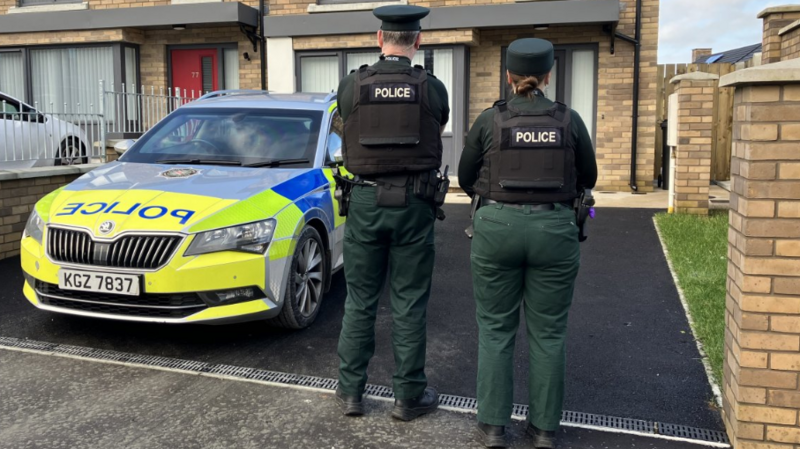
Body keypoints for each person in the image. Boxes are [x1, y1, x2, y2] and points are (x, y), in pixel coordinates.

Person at [458, 38, 597, 448]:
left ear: (508, 76)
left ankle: (493, 427)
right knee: (549, 333)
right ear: (548, 76)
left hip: (496, 229)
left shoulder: (490, 120)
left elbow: (466, 178)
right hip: (555, 231)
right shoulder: (569, 120)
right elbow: (587, 176)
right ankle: (543, 431)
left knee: (496, 330)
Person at [334, 4, 450, 422]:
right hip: (415, 202)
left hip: (364, 201)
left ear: (380, 39)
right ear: (418, 41)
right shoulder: (432, 88)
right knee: (410, 302)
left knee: (360, 300)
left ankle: (350, 392)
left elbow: (345, 123)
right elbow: (434, 128)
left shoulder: (352, 84)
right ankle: (408, 397)